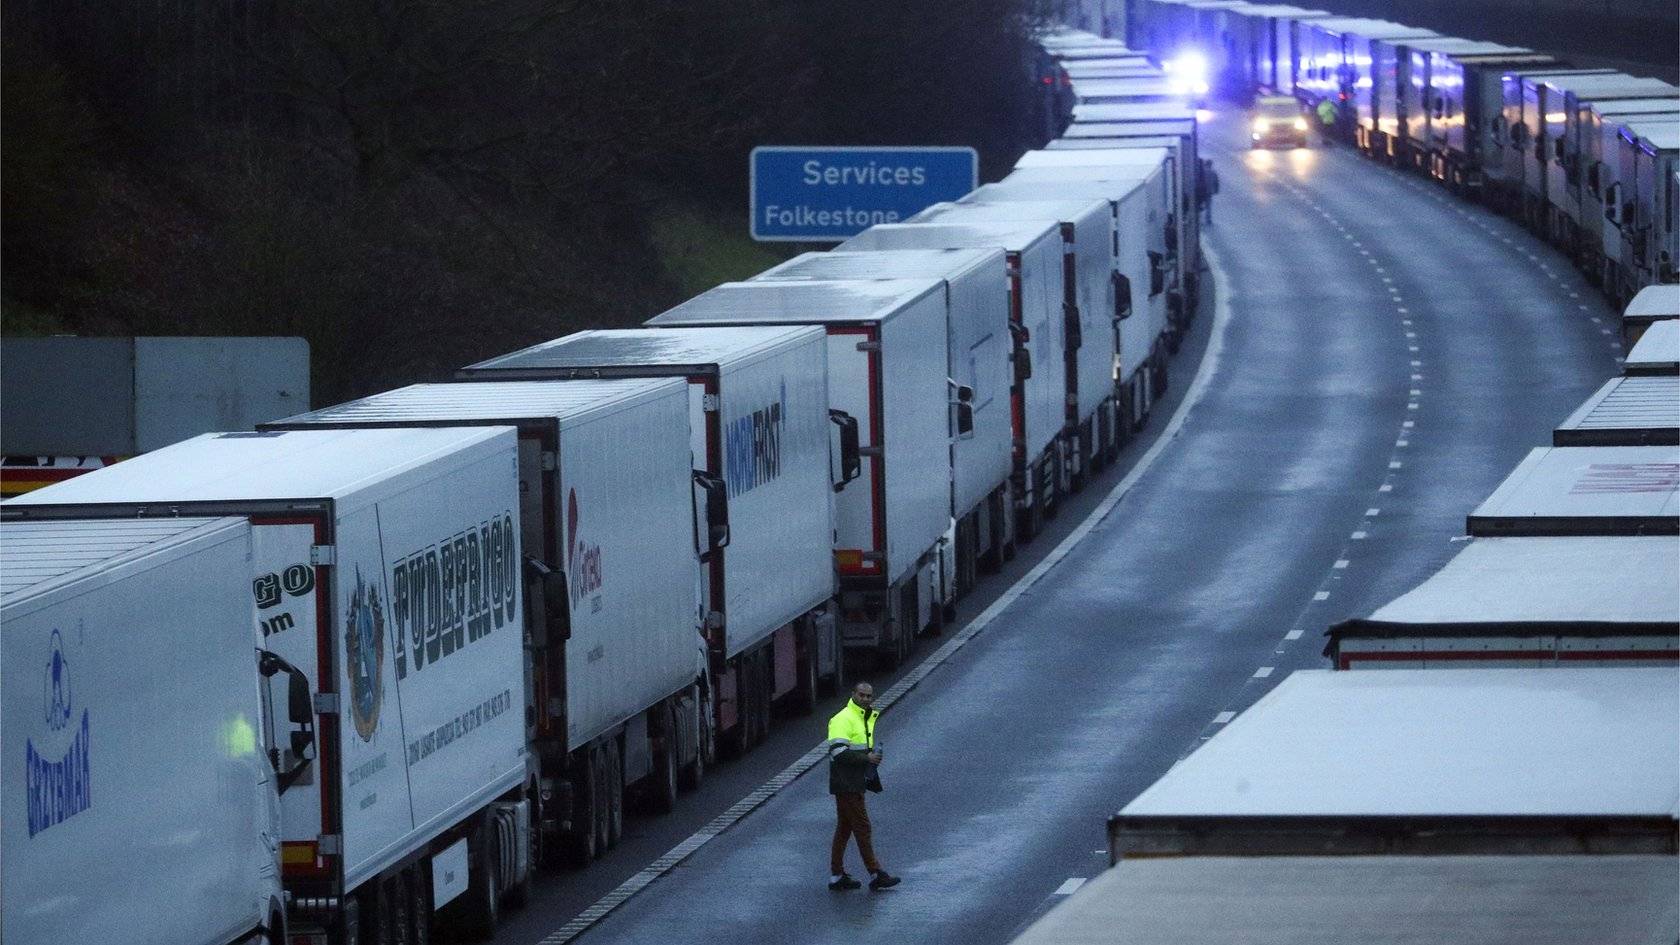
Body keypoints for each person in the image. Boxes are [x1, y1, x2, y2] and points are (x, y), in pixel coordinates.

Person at [826, 682, 899, 891]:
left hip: (853, 782)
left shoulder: (861, 717)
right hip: (846, 783)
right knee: (862, 827)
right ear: (853, 694)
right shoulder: (843, 719)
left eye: (869, 696)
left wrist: (869, 760)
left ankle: (837, 875)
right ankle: (876, 872)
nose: (866, 699)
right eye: (862, 695)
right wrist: (867, 757)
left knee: (845, 828)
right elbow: (837, 752)